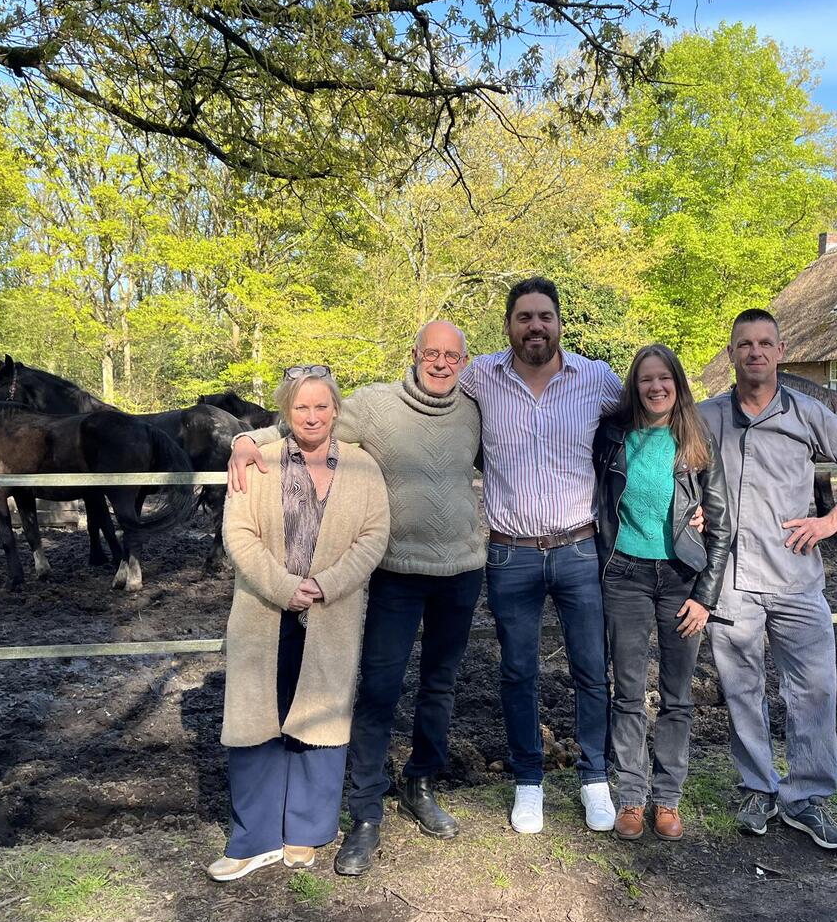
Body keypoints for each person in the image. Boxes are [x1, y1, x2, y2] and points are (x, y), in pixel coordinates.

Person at [226, 322, 483, 877]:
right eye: (431, 353)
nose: (441, 363)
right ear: (414, 355)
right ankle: (367, 810)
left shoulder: (476, 408)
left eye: (451, 355)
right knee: (378, 689)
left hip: (461, 569)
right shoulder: (375, 405)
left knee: (440, 687)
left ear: (464, 362)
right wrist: (246, 440)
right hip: (396, 570)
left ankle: (420, 783)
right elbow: (308, 419)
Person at [698, 310, 837, 851]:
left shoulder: (807, 414)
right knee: (741, 689)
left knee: (814, 688)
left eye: (765, 343)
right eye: (744, 344)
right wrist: (691, 511)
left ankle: (806, 797)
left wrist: (829, 523)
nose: (755, 352)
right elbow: (674, 472)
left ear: (780, 351)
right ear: (731, 353)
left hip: (797, 579)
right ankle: (758, 788)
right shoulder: (706, 417)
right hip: (732, 581)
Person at [209, 366, 390, 881]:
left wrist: (326, 584)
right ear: (286, 412)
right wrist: (284, 587)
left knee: (319, 715)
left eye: (321, 406)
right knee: (256, 717)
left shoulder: (362, 467)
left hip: (331, 611)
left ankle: (305, 831)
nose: (312, 416)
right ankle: (254, 838)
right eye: (301, 407)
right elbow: (239, 533)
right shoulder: (258, 462)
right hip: (265, 610)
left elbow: (374, 536)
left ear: (336, 410)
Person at [459, 277, 624, 834]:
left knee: (591, 668)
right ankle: (528, 781)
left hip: (579, 549)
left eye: (544, 316)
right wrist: (254, 438)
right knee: (517, 671)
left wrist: (691, 497)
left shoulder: (596, 378)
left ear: (559, 322)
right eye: (524, 317)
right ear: (509, 324)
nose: (535, 326)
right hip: (511, 555)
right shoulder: (480, 377)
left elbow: (657, 420)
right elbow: (420, 397)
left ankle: (594, 777)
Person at [593, 344, 732, 842]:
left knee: (677, 696)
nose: (655, 387)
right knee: (628, 692)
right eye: (646, 379)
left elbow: (721, 525)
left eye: (664, 378)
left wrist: (705, 597)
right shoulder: (612, 436)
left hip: (681, 579)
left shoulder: (696, 440)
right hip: (624, 576)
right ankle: (632, 796)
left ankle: (667, 798)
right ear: (635, 386)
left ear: (678, 383)